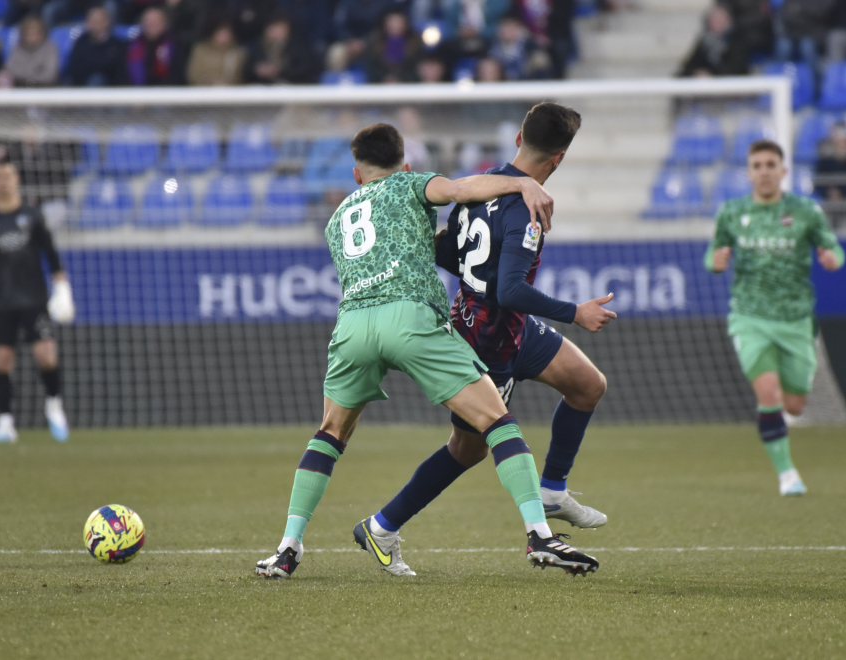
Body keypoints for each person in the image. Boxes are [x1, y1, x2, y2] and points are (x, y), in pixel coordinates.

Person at [254, 123, 599, 579]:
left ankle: (287, 548)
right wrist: (520, 181)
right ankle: (539, 534)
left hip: (353, 325)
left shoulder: (337, 217)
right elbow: (458, 188)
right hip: (411, 320)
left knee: (330, 435)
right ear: (406, 163)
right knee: (497, 420)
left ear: (357, 175)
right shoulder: (411, 184)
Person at [358, 104, 616, 578]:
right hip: (488, 341)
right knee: (468, 449)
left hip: (512, 327)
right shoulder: (529, 210)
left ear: (519, 138)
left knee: (587, 384)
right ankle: (381, 525)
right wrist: (575, 313)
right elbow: (510, 290)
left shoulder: (486, 184)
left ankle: (554, 490)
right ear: (559, 159)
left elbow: (449, 254)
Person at [705, 140, 844, 496]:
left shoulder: (806, 210)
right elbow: (714, 253)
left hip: (796, 318)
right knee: (767, 393)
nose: (765, 171)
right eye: (758, 165)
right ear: (749, 172)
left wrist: (832, 257)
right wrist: (715, 262)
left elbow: (833, 246)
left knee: (795, 403)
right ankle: (788, 475)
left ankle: (782, 430)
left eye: (771, 164)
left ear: (783, 171)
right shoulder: (732, 212)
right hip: (750, 317)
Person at [0, 158, 76, 444]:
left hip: (33, 299)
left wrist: (62, 289)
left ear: (17, 180)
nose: (4, 181)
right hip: (2, 302)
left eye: (8, 176)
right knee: (2, 361)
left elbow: (51, 254)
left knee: (46, 354)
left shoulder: (32, 216)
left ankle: (54, 407)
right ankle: (5, 424)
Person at [243, 14, 319, 85]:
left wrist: (279, 71)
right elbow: (247, 70)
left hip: (291, 85)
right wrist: (258, 70)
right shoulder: (258, 46)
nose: (276, 31)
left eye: (280, 27)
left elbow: (305, 69)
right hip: (263, 86)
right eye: (273, 27)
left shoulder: (299, 46)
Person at [678, 5, 749, 77]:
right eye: (712, 21)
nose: (715, 24)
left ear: (728, 22)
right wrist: (696, 73)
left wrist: (712, 75)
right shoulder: (705, 42)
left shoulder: (737, 41)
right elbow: (689, 67)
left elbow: (737, 69)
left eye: (719, 21)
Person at [66, 7, 129, 87]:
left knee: (96, 80)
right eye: (91, 21)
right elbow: (74, 67)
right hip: (82, 86)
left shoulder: (117, 45)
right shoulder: (80, 42)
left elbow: (118, 73)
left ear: (107, 22)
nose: (94, 24)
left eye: (98, 21)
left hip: (109, 90)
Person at [774, 0, 836, 72]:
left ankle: (814, 80)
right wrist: (805, 12)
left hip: (814, 33)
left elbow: (821, 14)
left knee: (807, 47)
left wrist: (800, 9)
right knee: (783, 46)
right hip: (792, 32)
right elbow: (785, 15)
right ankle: (780, 78)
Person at [366, 9, 423, 83]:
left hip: (407, 84)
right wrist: (384, 79)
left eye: (398, 22)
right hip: (379, 84)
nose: (395, 25)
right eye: (391, 21)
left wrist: (400, 80)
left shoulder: (415, 42)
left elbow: (416, 67)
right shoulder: (375, 41)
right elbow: (371, 67)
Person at [6, 15, 60, 87]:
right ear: (23, 34)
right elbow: (10, 71)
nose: (33, 36)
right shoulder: (17, 48)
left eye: (36, 33)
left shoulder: (50, 48)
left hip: (45, 90)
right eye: (29, 33)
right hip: (20, 88)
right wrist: (36, 71)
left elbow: (49, 76)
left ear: (42, 32)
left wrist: (24, 75)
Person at [127, 7, 177, 86]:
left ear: (165, 24)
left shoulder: (175, 45)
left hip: (167, 93)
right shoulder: (131, 47)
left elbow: (177, 75)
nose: (151, 24)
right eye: (148, 21)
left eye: (156, 21)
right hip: (137, 94)